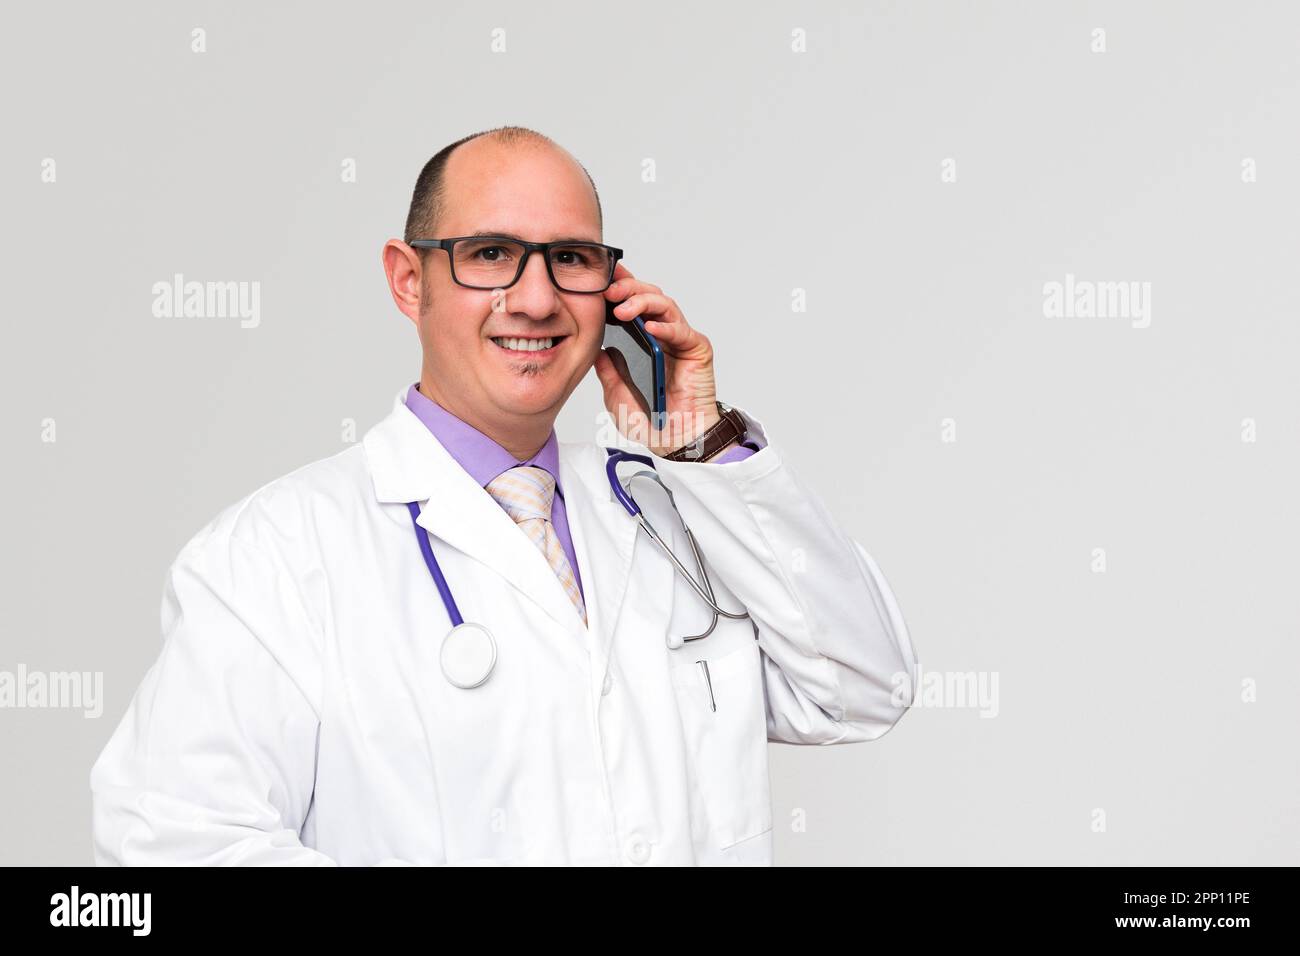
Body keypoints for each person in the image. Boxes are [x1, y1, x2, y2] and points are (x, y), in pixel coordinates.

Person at [90, 126, 919, 866]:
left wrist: (701, 441)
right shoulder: (276, 554)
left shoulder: (675, 511)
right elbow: (173, 836)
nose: (535, 298)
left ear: (611, 288)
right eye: (489, 254)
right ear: (408, 280)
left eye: (571, 258)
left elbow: (860, 685)